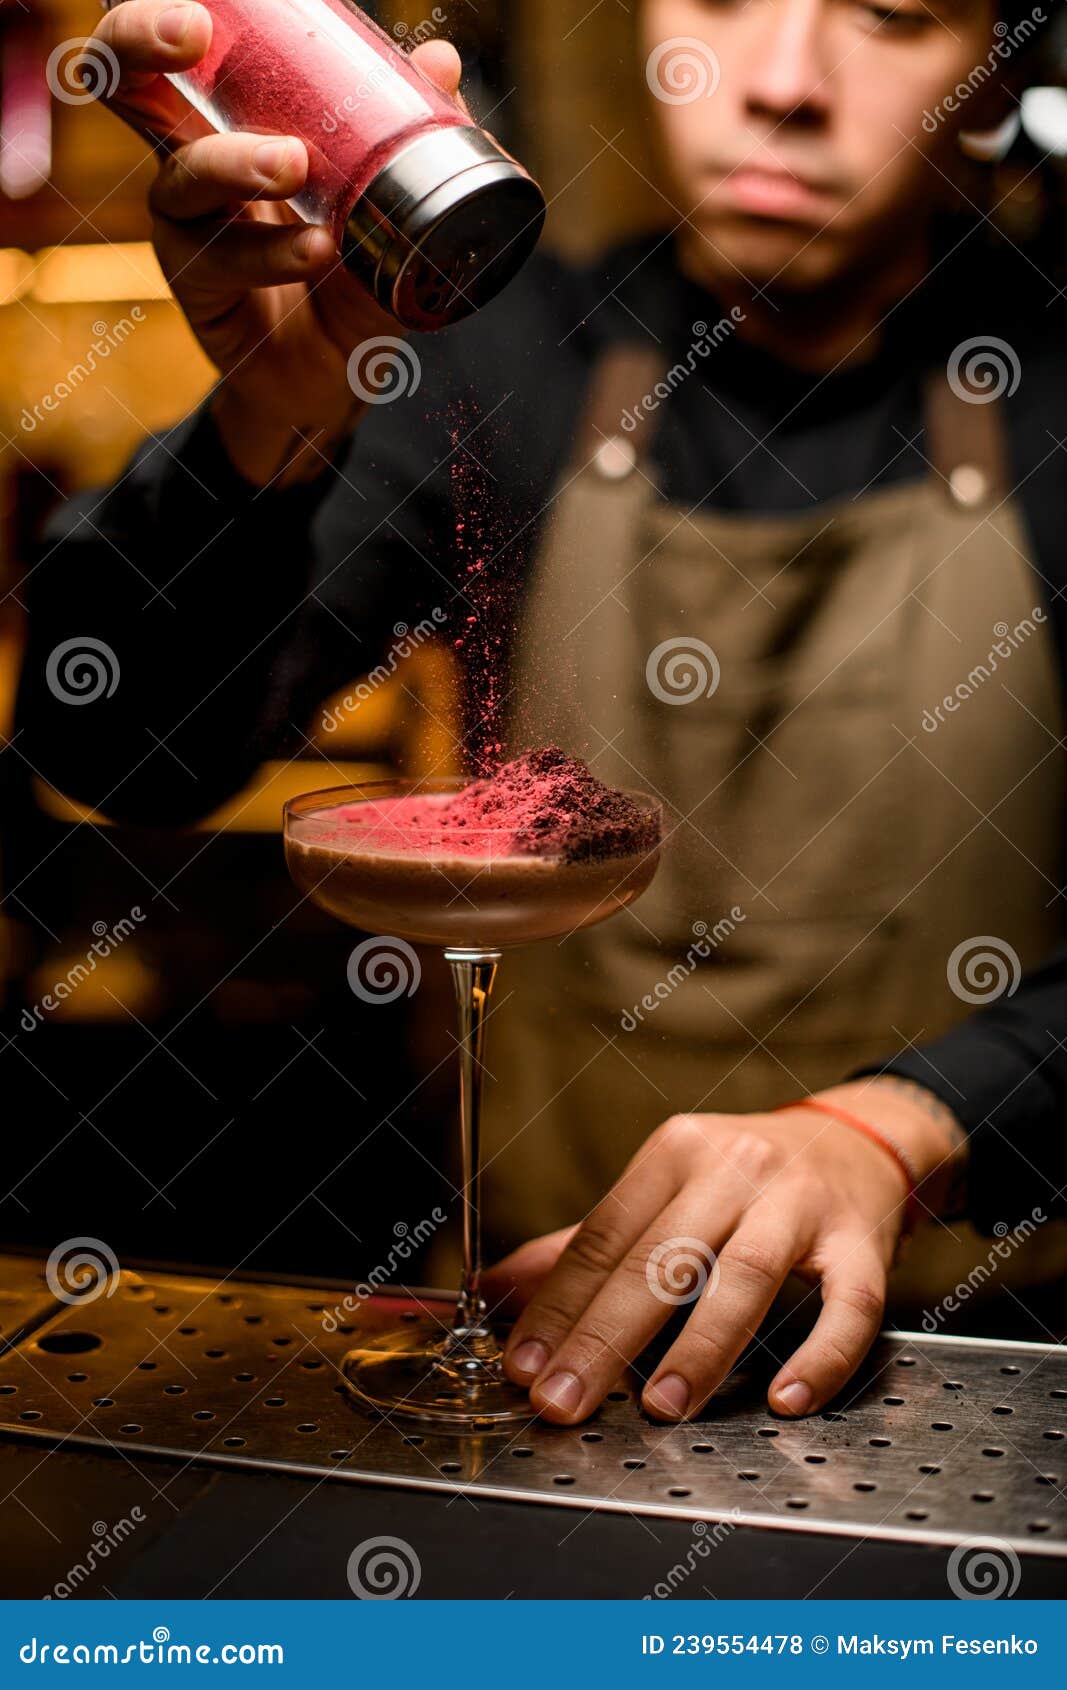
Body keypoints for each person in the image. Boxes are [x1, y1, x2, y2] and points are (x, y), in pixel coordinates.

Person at [20, 0, 1067, 1427]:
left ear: (995, 72)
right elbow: (121, 746)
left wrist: (901, 1125)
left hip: (973, 1367)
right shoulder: (503, 356)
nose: (783, 82)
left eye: (888, 14)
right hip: (527, 1349)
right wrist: (264, 421)